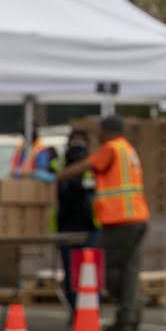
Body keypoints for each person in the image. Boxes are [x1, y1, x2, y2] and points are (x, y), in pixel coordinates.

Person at [58, 116, 149, 331]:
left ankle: (131, 306)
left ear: (108, 131)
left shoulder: (112, 148)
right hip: (137, 217)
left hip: (121, 220)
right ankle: (128, 314)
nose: (97, 135)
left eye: (100, 131)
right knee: (129, 269)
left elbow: (86, 166)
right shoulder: (127, 149)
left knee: (106, 268)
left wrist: (56, 177)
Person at [53, 128, 96, 315]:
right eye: (74, 141)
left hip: (90, 225)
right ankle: (74, 310)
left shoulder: (93, 165)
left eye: (81, 142)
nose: (76, 146)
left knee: (90, 271)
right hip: (66, 225)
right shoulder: (58, 165)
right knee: (71, 272)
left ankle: (91, 308)